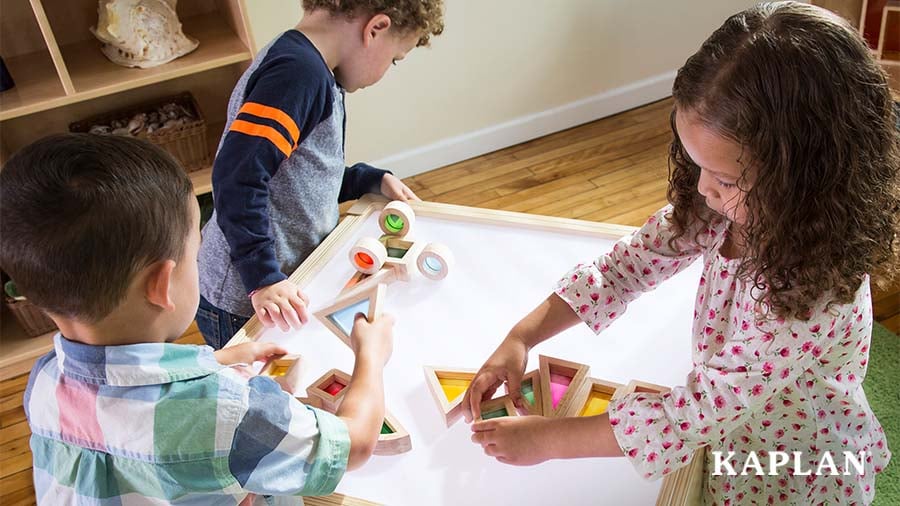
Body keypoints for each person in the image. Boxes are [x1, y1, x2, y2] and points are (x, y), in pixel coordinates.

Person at [462, 2, 898, 504]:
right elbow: (625, 267)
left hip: (799, 469)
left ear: (805, 177)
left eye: (726, 178)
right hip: (735, 437)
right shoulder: (726, 207)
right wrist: (523, 335)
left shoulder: (815, 291)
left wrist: (551, 440)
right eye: (696, 165)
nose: (705, 191)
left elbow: (698, 409)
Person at [1, 134, 396, 504]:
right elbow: (353, 445)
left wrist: (212, 362)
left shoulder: (44, 381)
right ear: (163, 283)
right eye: (196, 251)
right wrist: (371, 357)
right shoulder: (228, 411)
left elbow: (122, 398)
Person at [197, 0, 444, 348]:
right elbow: (237, 175)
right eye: (395, 59)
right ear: (376, 29)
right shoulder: (298, 75)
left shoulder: (310, 68)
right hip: (246, 301)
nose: (388, 70)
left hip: (272, 285)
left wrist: (366, 180)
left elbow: (298, 174)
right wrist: (263, 278)